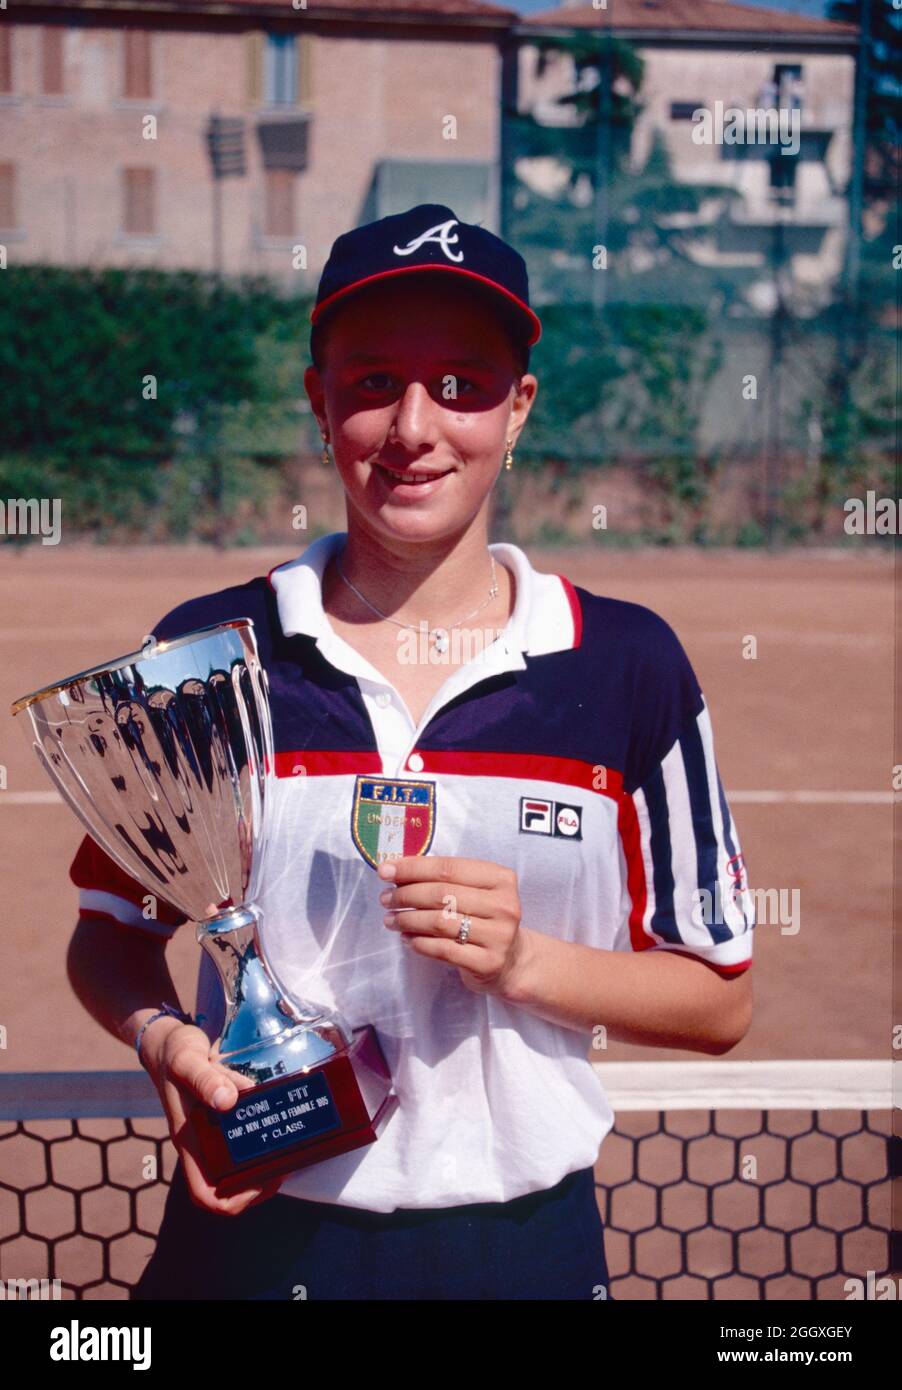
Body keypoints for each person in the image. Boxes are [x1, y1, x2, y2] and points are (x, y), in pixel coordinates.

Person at [66, 203, 755, 1301]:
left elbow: (717, 997)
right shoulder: (206, 655)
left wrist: (525, 962)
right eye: (374, 380)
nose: (414, 426)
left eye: (463, 384)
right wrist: (161, 1038)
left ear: (518, 407)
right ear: (318, 398)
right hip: (254, 1235)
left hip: (519, 1248)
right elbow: (108, 938)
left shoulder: (626, 662)